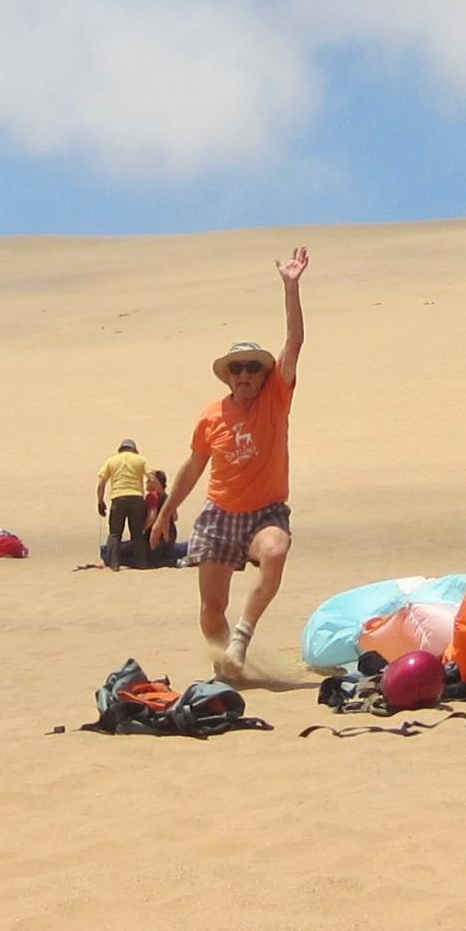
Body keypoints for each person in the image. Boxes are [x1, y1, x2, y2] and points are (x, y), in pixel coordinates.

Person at [151, 247, 309, 677]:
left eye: (252, 368)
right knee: (210, 609)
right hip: (220, 515)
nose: (244, 374)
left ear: (263, 375)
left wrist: (291, 287)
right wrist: (166, 512)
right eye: (236, 368)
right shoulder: (211, 415)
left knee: (275, 553)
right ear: (228, 375)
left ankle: (242, 638)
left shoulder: (276, 397)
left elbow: (294, 342)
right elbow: (193, 466)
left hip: (266, 513)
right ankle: (227, 669)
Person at [96, 439, 152, 571]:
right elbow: (151, 478)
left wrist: (100, 501)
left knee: (115, 533)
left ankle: (114, 564)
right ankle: (141, 563)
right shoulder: (141, 460)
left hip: (118, 498)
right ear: (133, 449)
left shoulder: (111, 461)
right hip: (137, 498)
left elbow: (101, 484)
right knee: (137, 533)